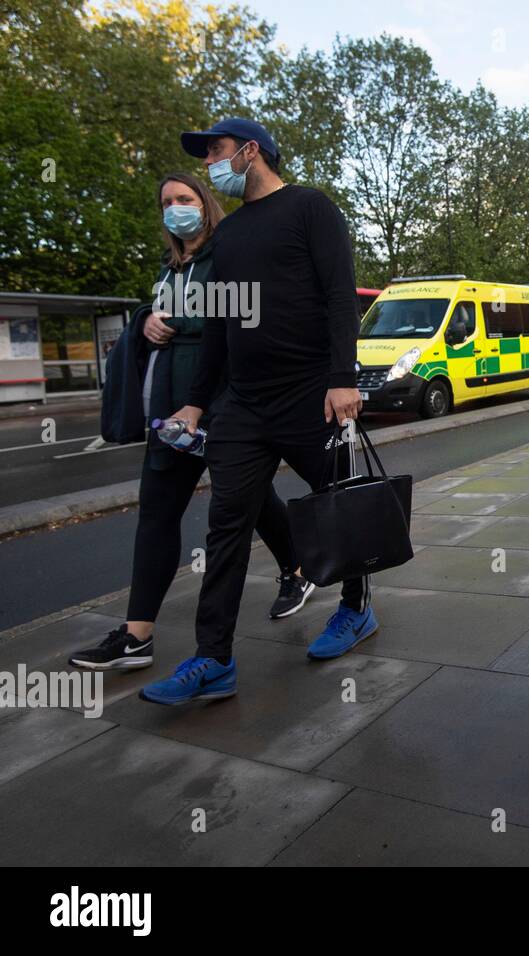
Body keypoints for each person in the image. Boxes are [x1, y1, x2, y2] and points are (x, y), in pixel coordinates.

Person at [139, 118, 376, 705]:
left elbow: (338, 295)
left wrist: (342, 379)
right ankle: (213, 659)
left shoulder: (310, 209)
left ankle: (354, 610)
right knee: (226, 526)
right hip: (243, 405)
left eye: (217, 151)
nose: (211, 163)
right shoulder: (233, 234)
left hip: (309, 396)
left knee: (342, 509)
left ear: (251, 152)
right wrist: (196, 402)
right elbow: (219, 322)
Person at [69, 173, 316, 673]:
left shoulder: (229, 253)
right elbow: (163, 315)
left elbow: (243, 320)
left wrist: (180, 321)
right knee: (157, 511)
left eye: (185, 199)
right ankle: (137, 636)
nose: (175, 208)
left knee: (246, 501)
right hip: (171, 410)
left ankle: (294, 571)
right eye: (166, 202)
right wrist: (145, 319)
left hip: (228, 402)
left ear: (205, 205)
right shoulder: (168, 268)